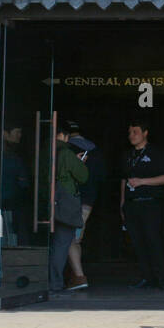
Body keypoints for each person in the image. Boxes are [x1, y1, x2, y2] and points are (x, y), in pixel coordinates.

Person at [120, 120, 164, 289]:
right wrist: (122, 204)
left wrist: (142, 181)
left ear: (145, 133)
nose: (131, 136)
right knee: (137, 243)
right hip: (131, 204)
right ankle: (146, 277)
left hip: (150, 204)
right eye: (130, 132)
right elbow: (123, 180)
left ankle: (162, 278)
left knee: (153, 240)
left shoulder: (155, 153)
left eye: (135, 132)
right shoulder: (127, 155)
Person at [48, 123, 90, 293]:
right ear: (64, 136)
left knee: (49, 244)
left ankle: (43, 280)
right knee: (62, 243)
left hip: (45, 202)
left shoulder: (43, 149)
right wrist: (80, 162)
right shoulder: (65, 152)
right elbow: (83, 176)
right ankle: (55, 283)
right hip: (63, 203)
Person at [64, 124, 104, 291]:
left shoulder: (66, 149)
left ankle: (79, 277)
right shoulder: (96, 152)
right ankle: (77, 275)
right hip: (88, 201)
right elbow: (102, 176)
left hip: (72, 200)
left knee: (69, 238)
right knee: (76, 238)